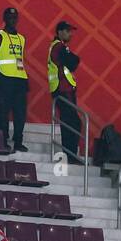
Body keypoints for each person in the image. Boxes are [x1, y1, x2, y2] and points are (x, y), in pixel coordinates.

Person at [0, 7, 29, 152]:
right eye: (10, 17)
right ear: (4, 19)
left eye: (15, 17)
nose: (13, 20)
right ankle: (2, 140)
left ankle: (18, 142)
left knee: (20, 113)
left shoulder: (21, 38)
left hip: (20, 79)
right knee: (3, 112)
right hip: (4, 79)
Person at [48, 20, 82, 162]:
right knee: (71, 123)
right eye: (68, 31)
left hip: (64, 90)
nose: (70, 34)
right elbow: (73, 62)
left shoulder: (59, 47)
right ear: (60, 32)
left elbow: (72, 61)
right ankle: (70, 155)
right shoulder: (58, 46)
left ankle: (71, 154)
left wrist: (74, 58)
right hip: (62, 90)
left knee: (73, 122)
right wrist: (75, 57)